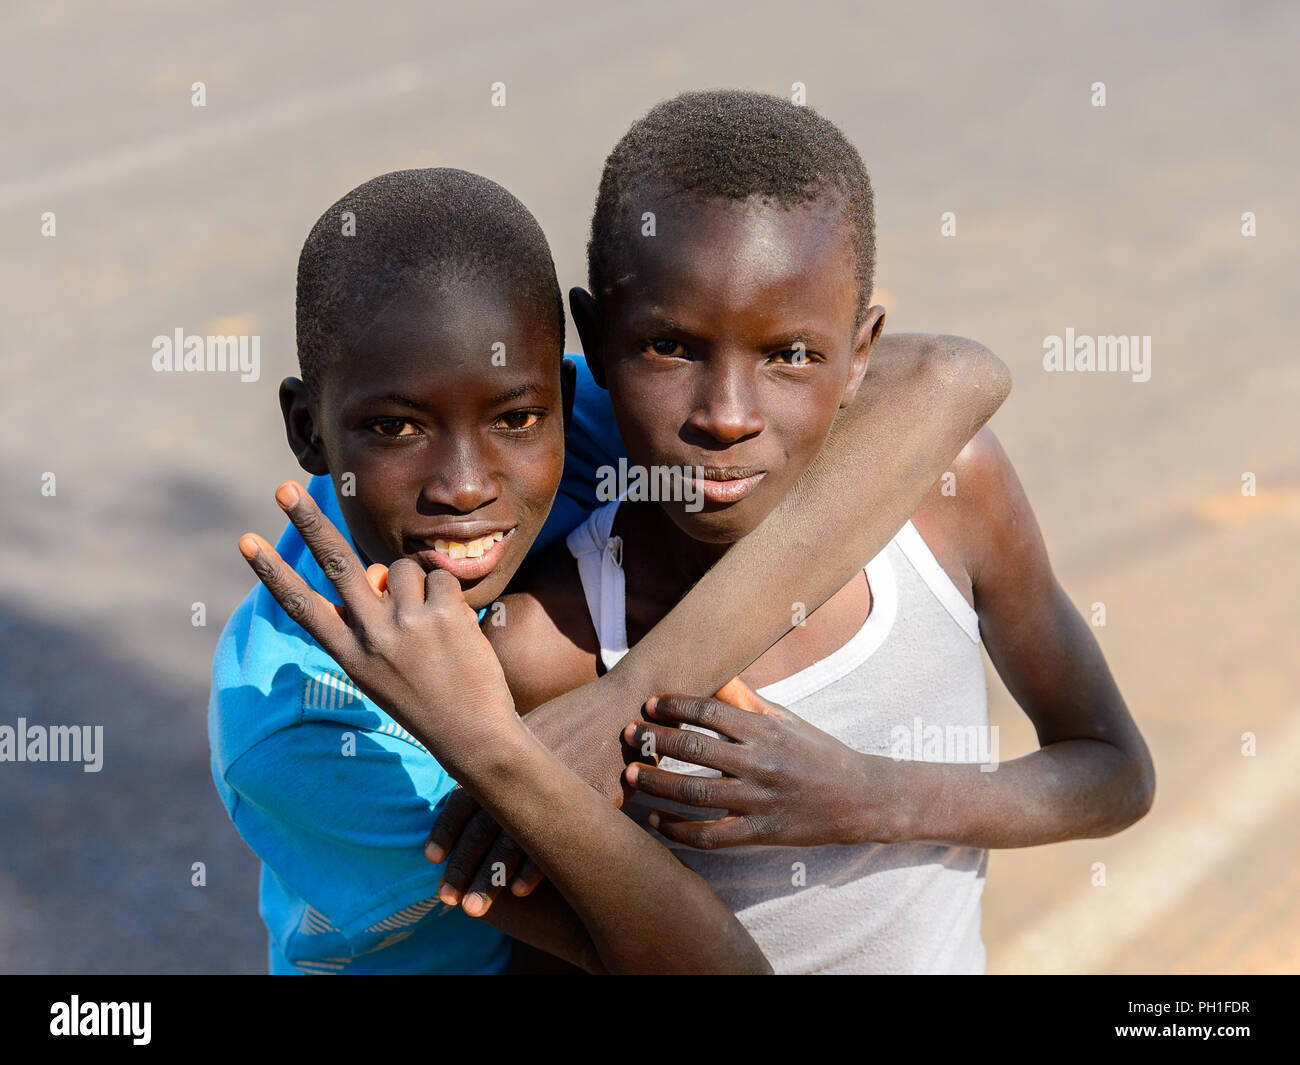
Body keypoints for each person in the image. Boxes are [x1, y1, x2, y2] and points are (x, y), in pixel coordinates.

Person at [210, 166, 1009, 973]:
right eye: (393, 428)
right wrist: (495, 753)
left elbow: (949, 375)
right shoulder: (305, 729)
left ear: (559, 393)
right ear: (309, 431)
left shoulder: (572, 428)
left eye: (518, 417)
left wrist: (623, 699)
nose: (464, 485)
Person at [446, 90, 1155, 973]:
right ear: (593, 338)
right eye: (670, 346)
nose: (728, 417)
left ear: (861, 355)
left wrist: (871, 797)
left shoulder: (947, 498)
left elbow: (1113, 771)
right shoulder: (550, 645)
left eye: (791, 355)